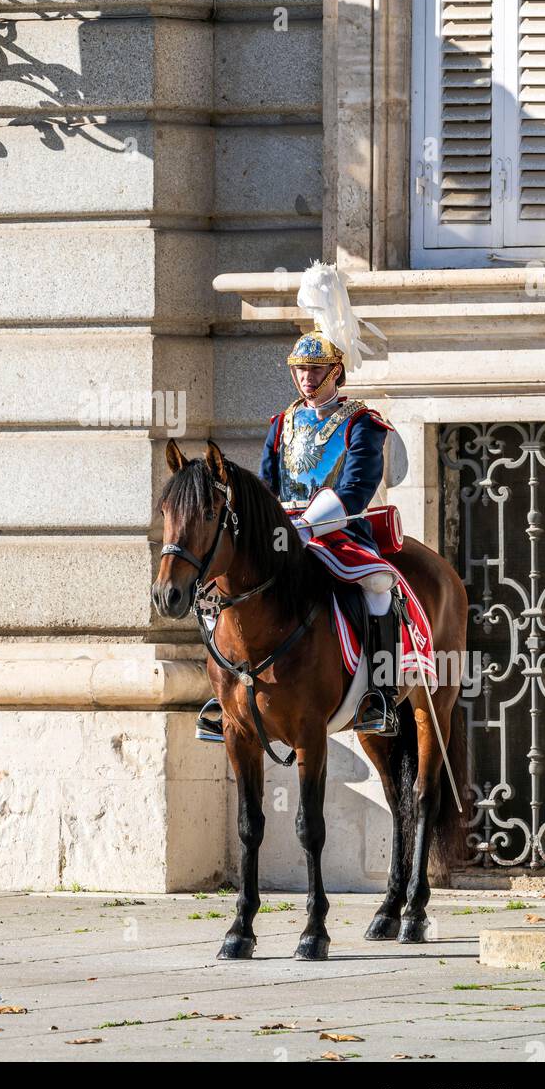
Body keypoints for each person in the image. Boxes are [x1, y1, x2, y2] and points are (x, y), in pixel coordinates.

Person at [196, 264, 405, 743]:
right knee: (213, 589)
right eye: (299, 369)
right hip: (279, 531)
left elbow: (356, 486)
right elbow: (267, 483)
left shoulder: (362, 423)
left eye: (314, 370)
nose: (305, 379)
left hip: (336, 531)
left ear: (335, 370)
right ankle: (220, 693)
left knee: (376, 585)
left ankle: (378, 694)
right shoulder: (282, 422)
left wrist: (310, 526)